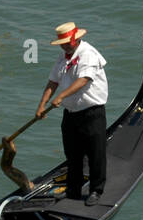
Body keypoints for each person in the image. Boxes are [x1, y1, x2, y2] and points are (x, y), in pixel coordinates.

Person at [36, 22, 108, 205]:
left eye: (68, 42)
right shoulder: (62, 57)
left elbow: (84, 80)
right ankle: (73, 190)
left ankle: (96, 190)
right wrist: (42, 105)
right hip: (71, 113)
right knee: (72, 154)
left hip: (92, 113)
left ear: (76, 39)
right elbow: (52, 81)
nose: (65, 45)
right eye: (63, 42)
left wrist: (61, 96)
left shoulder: (88, 54)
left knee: (95, 153)